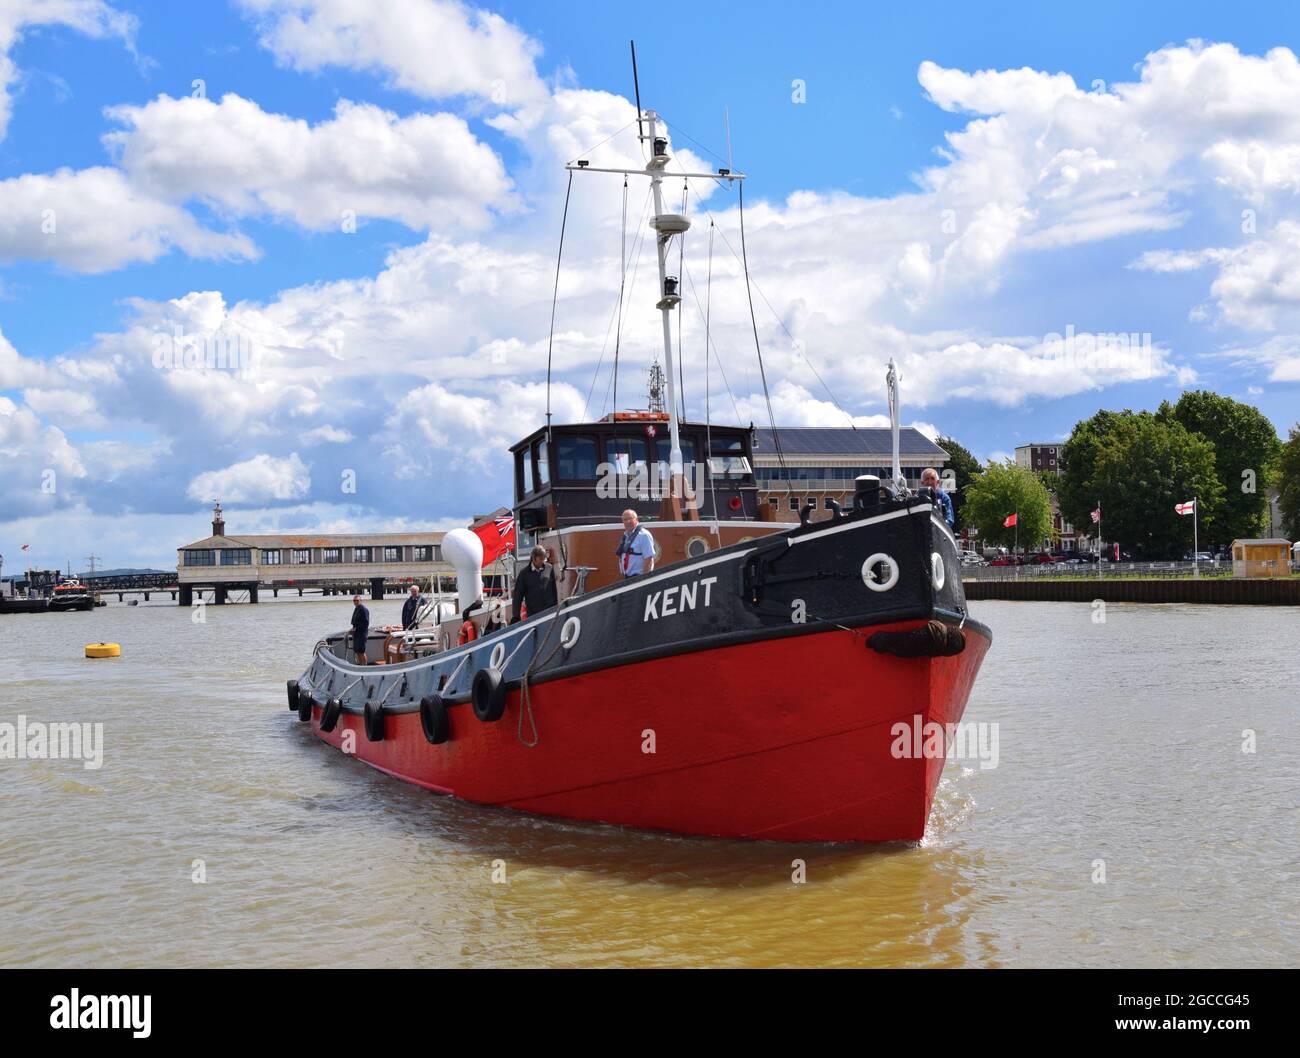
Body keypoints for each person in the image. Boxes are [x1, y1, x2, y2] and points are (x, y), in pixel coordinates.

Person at [512, 545, 558, 623]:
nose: (543, 561)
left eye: (544, 559)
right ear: (534, 558)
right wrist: (516, 616)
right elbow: (517, 596)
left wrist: (556, 608)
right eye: (541, 559)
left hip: (549, 613)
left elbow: (554, 590)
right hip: (534, 616)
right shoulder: (524, 574)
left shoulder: (549, 568)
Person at [615, 509, 655, 578]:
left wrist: (644, 579)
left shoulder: (644, 535)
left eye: (630, 518)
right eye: (625, 519)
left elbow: (648, 558)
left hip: (639, 577)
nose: (628, 522)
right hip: (628, 577)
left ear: (636, 519)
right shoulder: (626, 535)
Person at [351, 594, 370, 665]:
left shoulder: (363, 610)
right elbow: (354, 622)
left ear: (360, 601)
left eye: (357, 600)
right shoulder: (356, 609)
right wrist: (353, 630)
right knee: (357, 651)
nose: (355, 602)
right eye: (354, 600)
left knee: (361, 651)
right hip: (356, 634)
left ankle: (364, 666)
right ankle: (360, 665)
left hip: (362, 634)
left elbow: (366, 624)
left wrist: (356, 629)